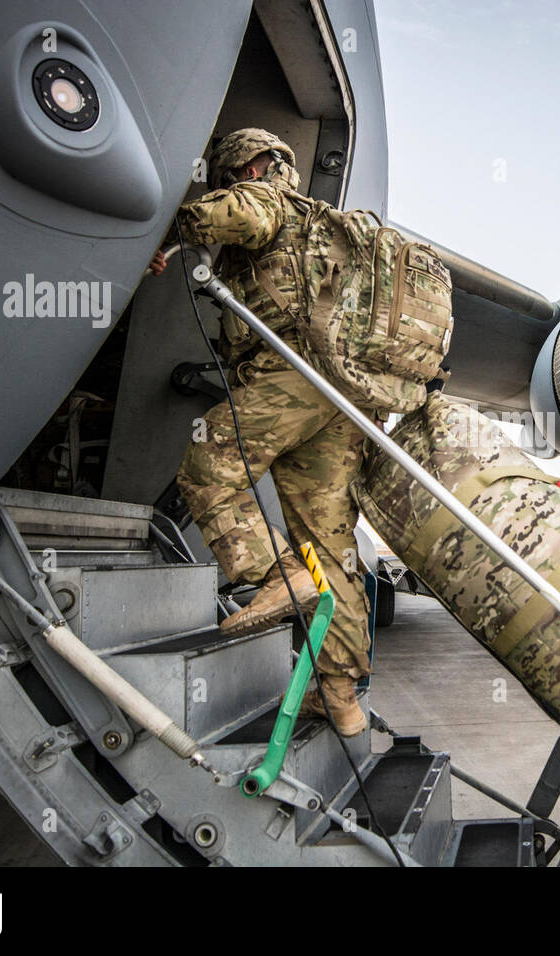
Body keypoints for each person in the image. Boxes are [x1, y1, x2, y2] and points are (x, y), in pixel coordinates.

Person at [150, 128, 370, 736]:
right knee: (329, 545)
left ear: (249, 167)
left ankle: (274, 572)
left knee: (208, 462)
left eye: (228, 176)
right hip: (342, 397)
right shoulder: (323, 225)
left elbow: (235, 216)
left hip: (292, 376)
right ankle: (340, 697)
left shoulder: (266, 197)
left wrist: (163, 235)